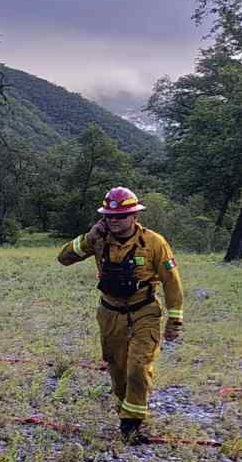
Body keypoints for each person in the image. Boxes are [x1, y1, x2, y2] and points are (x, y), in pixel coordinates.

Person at [57, 186, 183, 445]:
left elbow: (172, 282)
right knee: (118, 368)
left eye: (121, 216)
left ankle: (131, 425)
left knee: (138, 366)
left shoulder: (154, 243)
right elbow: (64, 258)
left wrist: (175, 320)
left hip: (143, 311)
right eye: (110, 217)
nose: (114, 221)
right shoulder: (99, 239)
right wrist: (88, 238)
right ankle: (127, 405)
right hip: (110, 312)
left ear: (135, 216)